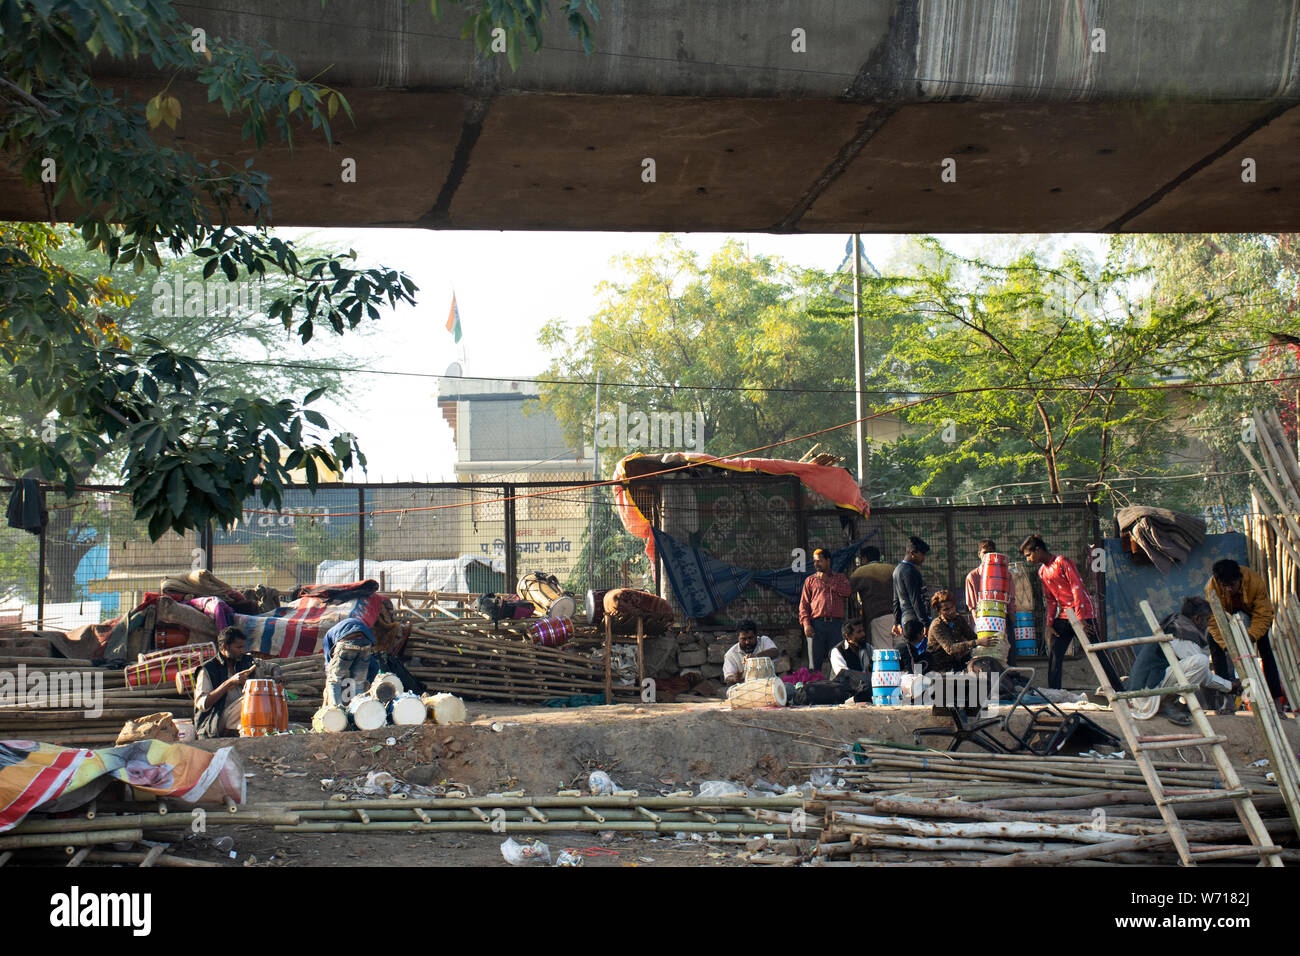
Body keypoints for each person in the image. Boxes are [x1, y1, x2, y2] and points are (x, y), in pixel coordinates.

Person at [1019, 534, 1122, 692]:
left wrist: (1081, 620)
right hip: (1065, 615)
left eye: (1029, 555)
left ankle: (1120, 691)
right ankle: (1055, 694)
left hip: (1084, 613)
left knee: (1098, 653)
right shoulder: (1042, 572)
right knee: (1055, 653)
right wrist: (1049, 625)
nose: (1028, 559)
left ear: (1038, 550)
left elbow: (1077, 588)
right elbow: (1051, 600)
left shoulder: (1062, 562)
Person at [1127, 597, 1242, 725]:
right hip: (1146, 694)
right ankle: (1168, 702)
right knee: (1201, 661)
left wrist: (1228, 686)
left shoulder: (1178, 625)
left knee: (1199, 663)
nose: (1208, 624)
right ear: (1197, 618)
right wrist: (1229, 686)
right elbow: (1202, 672)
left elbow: (1201, 674)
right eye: (1207, 619)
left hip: (1149, 688)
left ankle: (1171, 701)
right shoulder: (1181, 631)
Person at [1204, 559, 1281, 704]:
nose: (1228, 589)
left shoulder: (1255, 582)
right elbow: (1213, 621)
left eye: (1231, 585)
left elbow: (1263, 614)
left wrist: (1251, 636)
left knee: (1265, 646)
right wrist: (1227, 645)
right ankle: (1226, 699)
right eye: (1224, 586)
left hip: (1253, 612)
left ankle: (1275, 699)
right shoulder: (1212, 587)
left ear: (1239, 580)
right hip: (1225, 613)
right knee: (1212, 641)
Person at [193, 627, 257, 739]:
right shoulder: (207, 669)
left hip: (237, 717)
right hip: (214, 722)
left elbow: (265, 665)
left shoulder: (244, 660)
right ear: (225, 647)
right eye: (238, 647)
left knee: (259, 700)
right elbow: (203, 704)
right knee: (249, 701)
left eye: (243, 647)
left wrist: (275, 672)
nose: (242, 651)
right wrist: (229, 682)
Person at [799, 547, 851, 671]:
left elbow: (847, 592)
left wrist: (829, 581)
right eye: (815, 561)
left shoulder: (840, 578)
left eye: (819, 560)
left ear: (828, 561)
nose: (816, 564)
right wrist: (806, 624)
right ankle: (816, 685)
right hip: (817, 625)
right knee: (815, 662)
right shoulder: (810, 581)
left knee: (838, 658)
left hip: (836, 624)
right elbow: (804, 605)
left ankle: (838, 685)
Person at [926, 590, 1001, 672]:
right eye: (946, 609)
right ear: (939, 611)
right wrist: (977, 642)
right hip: (940, 668)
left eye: (952, 607)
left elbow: (971, 636)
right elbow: (950, 649)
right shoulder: (937, 626)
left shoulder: (959, 619)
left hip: (958, 662)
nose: (951, 611)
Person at [322, 618, 380, 708]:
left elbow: (329, 661)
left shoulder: (328, 636)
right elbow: (371, 664)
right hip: (366, 643)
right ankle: (357, 711)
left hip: (346, 641)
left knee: (335, 679)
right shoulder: (359, 625)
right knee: (358, 682)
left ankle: (337, 710)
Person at [850, 545, 896, 649]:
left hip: (877, 615)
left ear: (864, 558)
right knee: (900, 649)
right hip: (898, 615)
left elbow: (847, 590)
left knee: (884, 651)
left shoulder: (861, 572)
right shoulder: (892, 569)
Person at [891, 536, 931, 638]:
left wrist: (897, 622)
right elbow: (915, 599)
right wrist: (924, 622)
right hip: (915, 620)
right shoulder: (910, 571)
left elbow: (896, 600)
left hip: (906, 620)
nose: (924, 559)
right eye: (922, 554)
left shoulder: (897, 570)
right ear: (913, 553)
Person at [722, 620, 779, 686]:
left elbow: (775, 652)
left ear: (756, 635)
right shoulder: (731, 654)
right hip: (745, 690)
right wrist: (734, 679)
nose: (747, 642)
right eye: (743, 639)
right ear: (738, 638)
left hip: (769, 686)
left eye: (750, 638)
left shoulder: (764, 641)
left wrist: (756, 657)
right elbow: (728, 679)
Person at [829, 618, 874, 701]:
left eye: (863, 631)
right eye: (859, 632)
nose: (863, 634)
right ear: (848, 636)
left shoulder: (868, 648)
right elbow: (844, 675)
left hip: (863, 688)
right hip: (844, 690)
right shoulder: (837, 651)